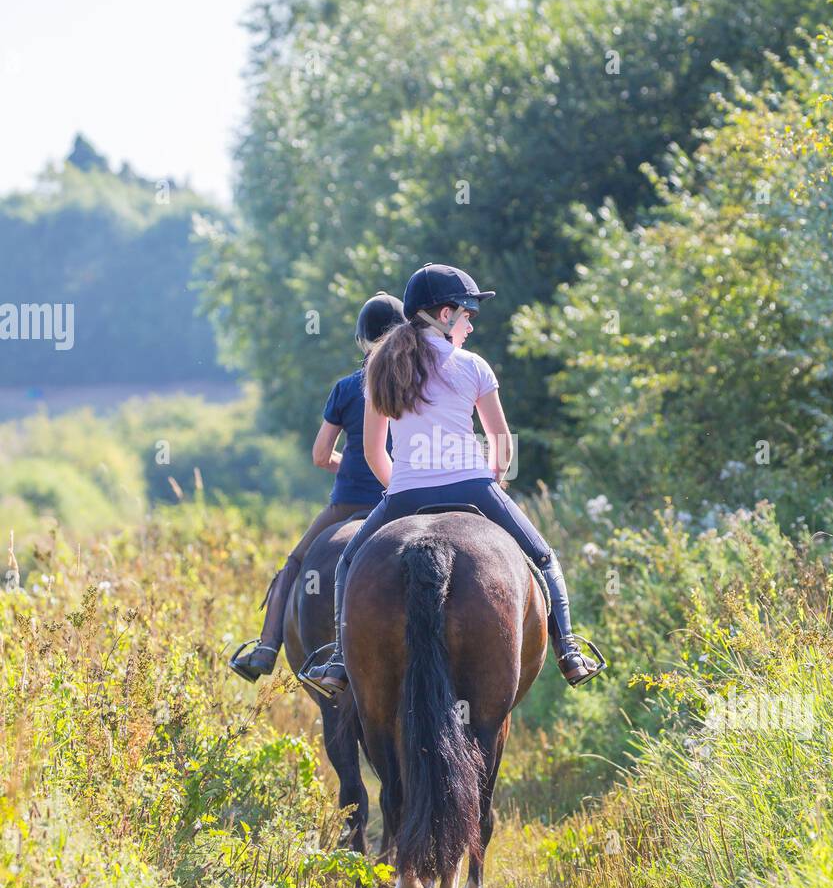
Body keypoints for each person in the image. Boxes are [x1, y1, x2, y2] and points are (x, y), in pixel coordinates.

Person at [303, 263, 606, 696]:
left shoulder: (378, 369)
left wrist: (399, 489)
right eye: (468, 314)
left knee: (348, 563)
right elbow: (500, 440)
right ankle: (569, 651)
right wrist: (494, 484)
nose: (470, 325)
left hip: (405, 494)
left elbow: (372, 451)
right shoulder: (472, 366)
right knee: (542, 558)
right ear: (445, 315)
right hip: (473, 489)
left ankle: (337, 660)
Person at [229, 292, 405, 682]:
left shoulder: (345, 388)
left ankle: (265, 650)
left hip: (347, 505)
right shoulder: (412, 384)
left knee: (294, 565)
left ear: (362, 340)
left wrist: (351, 464)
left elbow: (321, 455)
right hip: (400, 500)